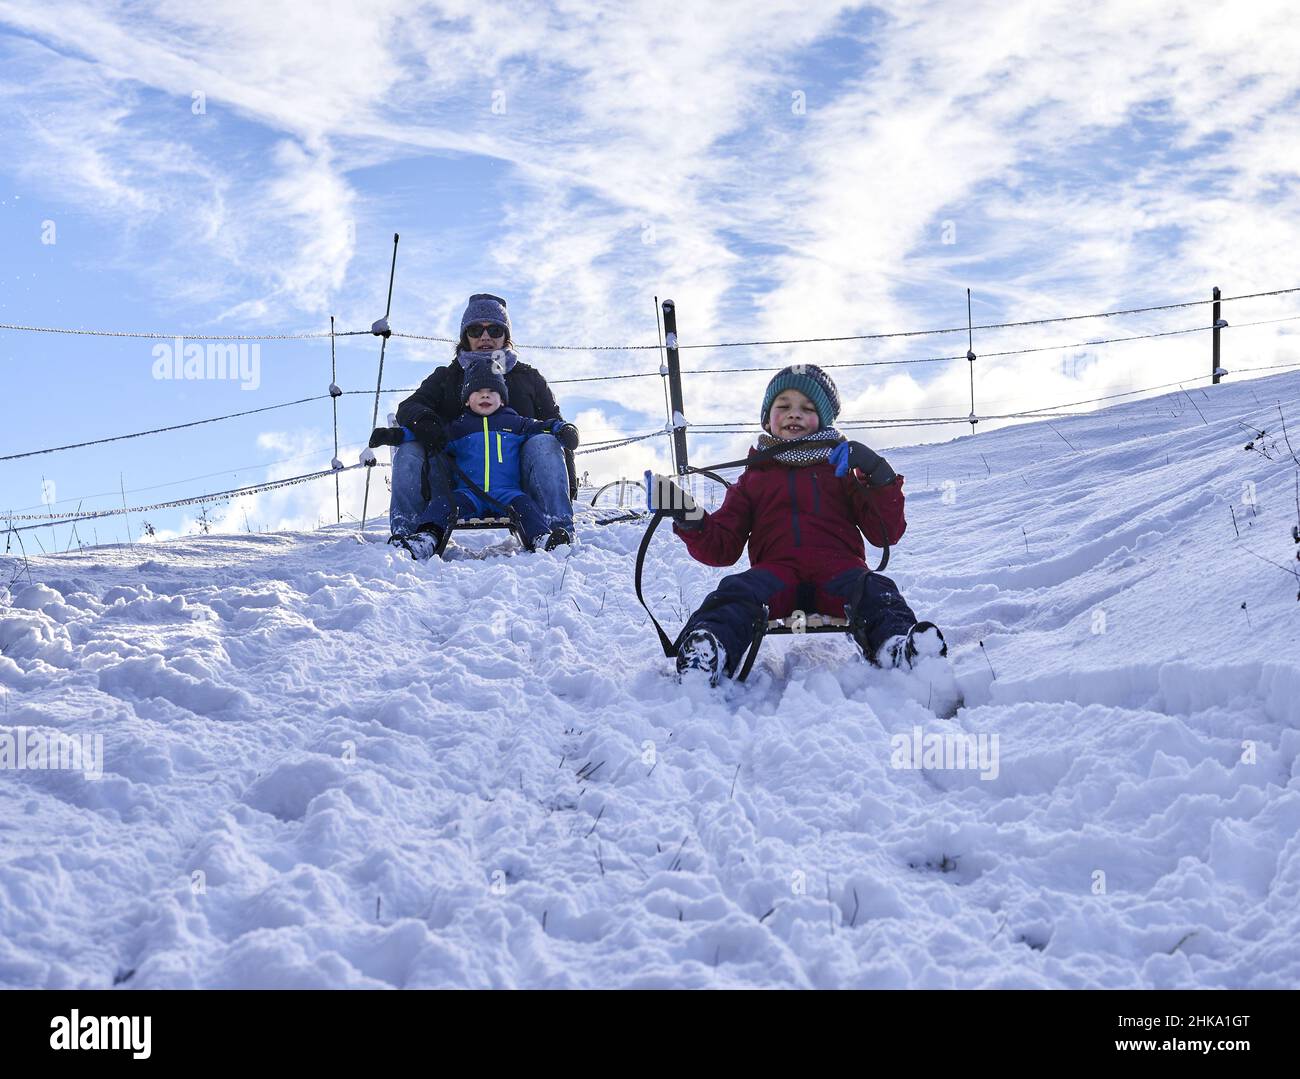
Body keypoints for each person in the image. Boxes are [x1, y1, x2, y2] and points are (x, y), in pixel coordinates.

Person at [650, 363, 947, 686]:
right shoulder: (753, 478)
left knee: (876, 590)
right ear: (767, 419)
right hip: (776, 575)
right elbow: (723, 545)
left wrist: (878, 474)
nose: (795, 414)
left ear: (823, 420)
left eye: (807, 408)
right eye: (784, 406)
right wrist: (687, 515)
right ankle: (710, 652)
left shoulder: (843, 472)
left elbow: (885, 532)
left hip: (840, 573)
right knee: (735, 592)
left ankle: (898, 646)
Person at [373, 293, 577, 556]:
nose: (485, 337)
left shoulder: (527, 378)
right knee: (411, 447)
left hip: (515, 484)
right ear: (464, 336)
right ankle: (413, 536)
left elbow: (555, 428)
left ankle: (554, 532)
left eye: (494, 329)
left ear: (506, 335)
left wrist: (569, 479)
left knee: (544, 440)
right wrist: (426, 422)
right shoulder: (447, 377)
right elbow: (409, 408)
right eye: (475, 330)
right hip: (456, 483)